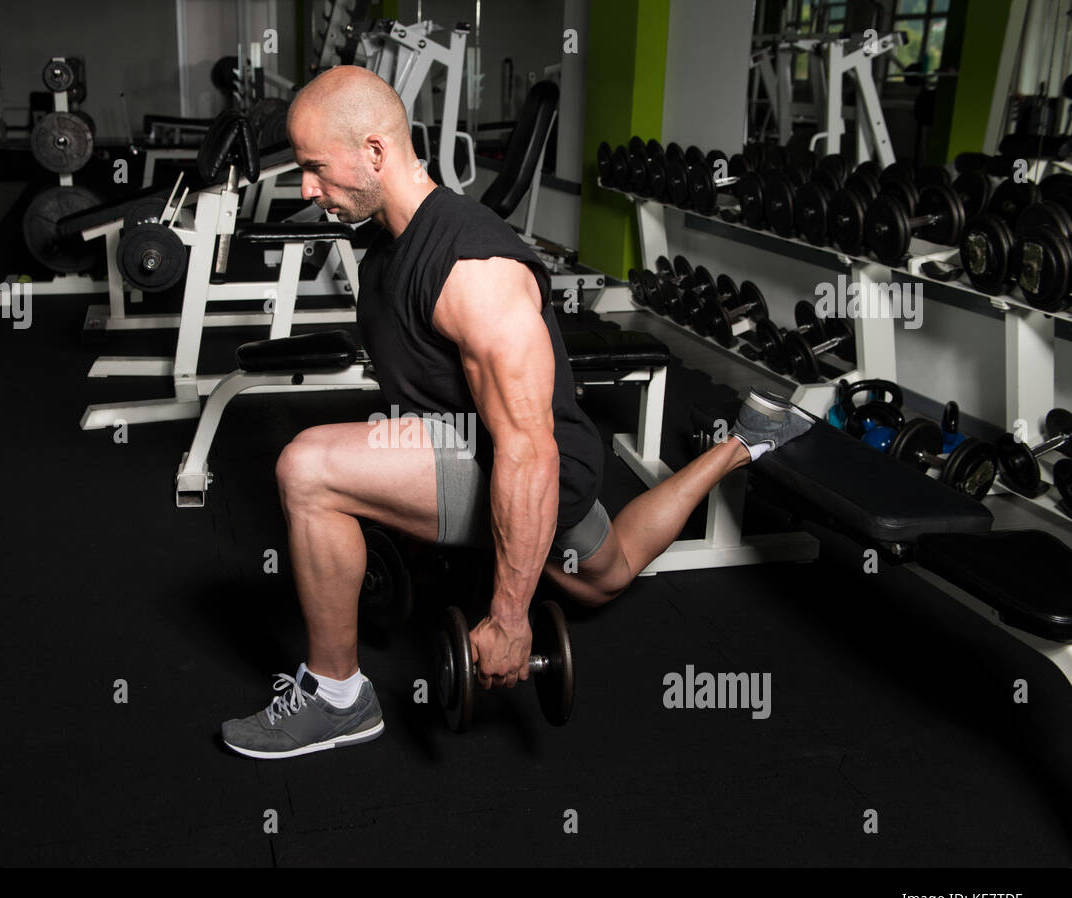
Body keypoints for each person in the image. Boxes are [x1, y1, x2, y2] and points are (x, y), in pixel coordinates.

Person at [221, 66, 814, 759]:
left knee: (308, 468)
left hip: (534, 468)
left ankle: (338, 699)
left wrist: (508, 619)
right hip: (484, 449)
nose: (306, 189)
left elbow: (529, 451)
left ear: (374, 153)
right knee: (609, 575)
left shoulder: (473, 269)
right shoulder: (386, 241)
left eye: (315, 169)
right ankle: (746, 440)